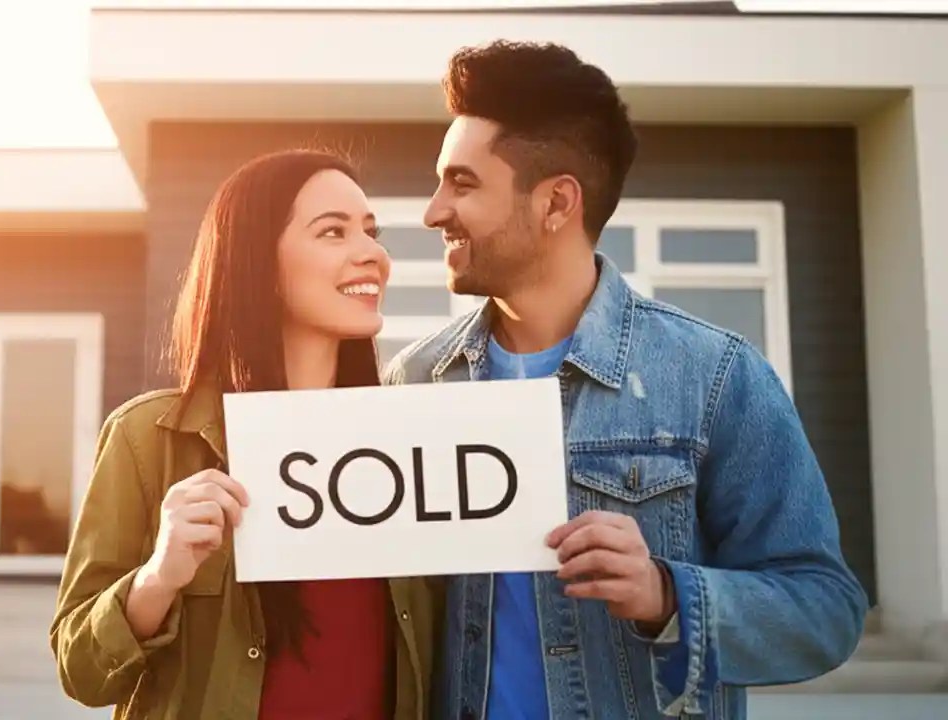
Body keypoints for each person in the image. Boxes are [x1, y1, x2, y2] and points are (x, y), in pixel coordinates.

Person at [382, 40, 868, 719]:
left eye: (461, 183)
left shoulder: (714, 376)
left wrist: (667, 593)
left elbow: (826, 610)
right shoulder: (412, 383)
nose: (433, 211)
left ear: (557, 203)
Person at [50, 148, 439, 719]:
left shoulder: (411, 441)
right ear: (258, 261)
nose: (372, 255)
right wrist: (159, 577)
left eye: (370, 232)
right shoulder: (147, 437)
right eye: (333, 232)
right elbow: (79, 669)